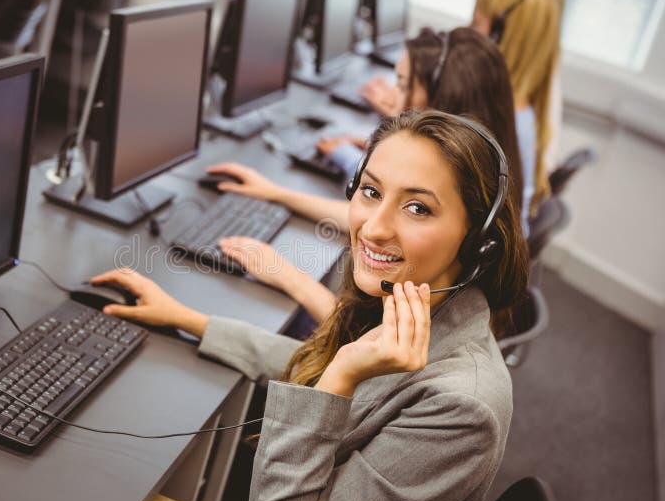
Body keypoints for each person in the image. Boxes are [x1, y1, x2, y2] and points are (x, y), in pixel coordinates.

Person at [92, 110, 529, 501]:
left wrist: (339, 378)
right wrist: (189, 320)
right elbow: (313, 362)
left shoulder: (462, 410)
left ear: (478, 241)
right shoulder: (422, 301)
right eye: (371, 191)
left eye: (418, 208)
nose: (374, 228)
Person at [204, 28, 526, 324]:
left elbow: (360, 340)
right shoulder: (491, 177)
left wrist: (288, 276)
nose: (393, 99)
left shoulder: (439, 305)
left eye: (401, 85)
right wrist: (277, 193)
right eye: (371, 191)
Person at [471, 0, 563, 221]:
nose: (466, 32)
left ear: (498, 37)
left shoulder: (493, 122)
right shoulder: (520, 109)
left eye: (475, 24)